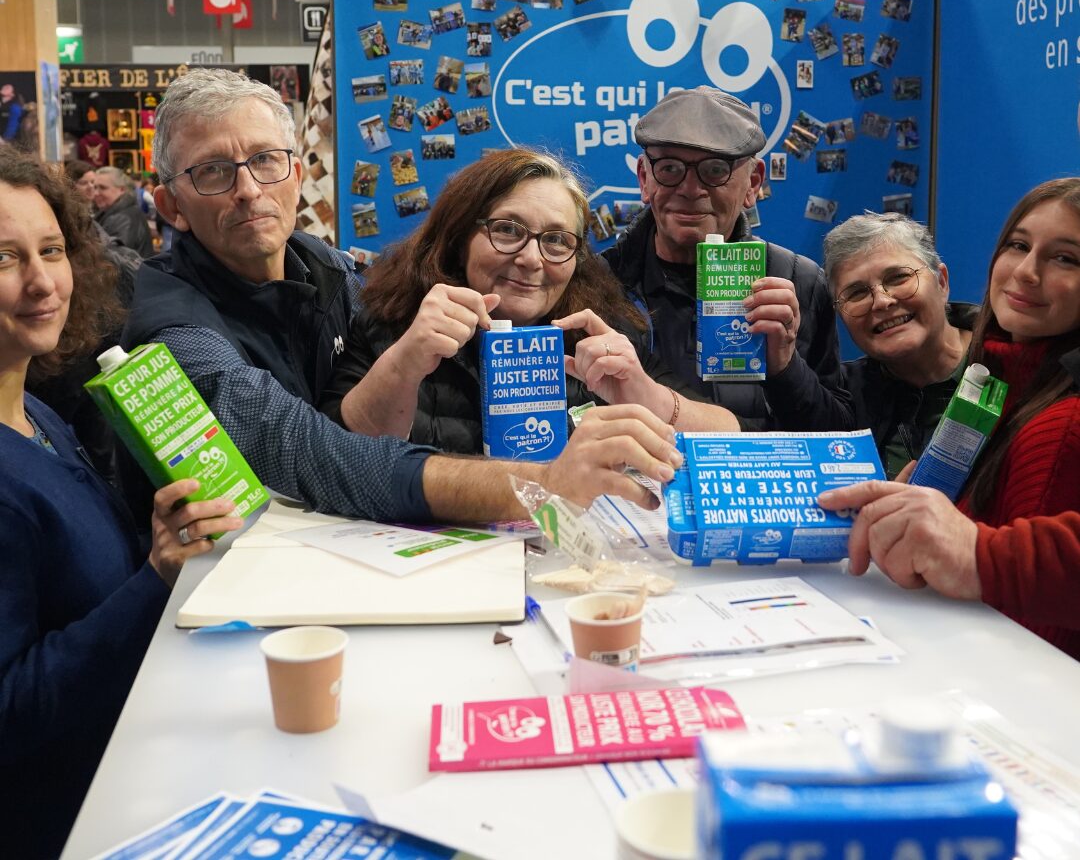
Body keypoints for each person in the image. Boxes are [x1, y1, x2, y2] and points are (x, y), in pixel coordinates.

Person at [125, 69, 681, 528]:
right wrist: (542, 485)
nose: (249, 190)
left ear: (296, 175)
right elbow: (314, 453)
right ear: (170, 206)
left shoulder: (329, 268)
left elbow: (712, 439)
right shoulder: (174, 329)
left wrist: (648, 397)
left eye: (266, 161)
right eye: (214, 172)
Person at [0, 147, 243, 856]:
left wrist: (161, 536)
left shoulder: (38, 417)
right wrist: (157, 576)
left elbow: (76, 584)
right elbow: (13, 711)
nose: (44, 282)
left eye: (51, 250)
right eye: (5, 259)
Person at [322, 149, 740, 453]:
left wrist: (643, 393)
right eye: (507, 230)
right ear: (460, 236)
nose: (530, 259)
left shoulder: (596, 332)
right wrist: (406, 360)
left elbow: (728, 438)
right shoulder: (395, 320)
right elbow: (337, 447)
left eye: (557, 241)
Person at [819, 178, 1080, 660]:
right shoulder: (1008, 382)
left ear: (941, 281)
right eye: (1018, 245)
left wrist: (976, 550)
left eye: (1065, 257)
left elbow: (1009, 590)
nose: (1026, 272)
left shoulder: (1061, 416)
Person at [603, 86, 853, 431]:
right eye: (671, 168)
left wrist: (784, 368)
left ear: (753, 183)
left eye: (716, 170)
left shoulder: (801, 282)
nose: (691, 190)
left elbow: (836, 439)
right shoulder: (597, 284)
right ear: (645, 180)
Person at [823, 212, 979, 477]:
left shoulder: (1015, 367)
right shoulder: (840, 401)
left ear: (941, 282)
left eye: (897, 278)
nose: (882, 301)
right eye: (857, 293)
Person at [93, 165, 155, 257]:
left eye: (103, 188)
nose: (96, 193)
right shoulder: (123, 211)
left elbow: (115, 259)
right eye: (95, 188)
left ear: (122, 189)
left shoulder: (122, 218)